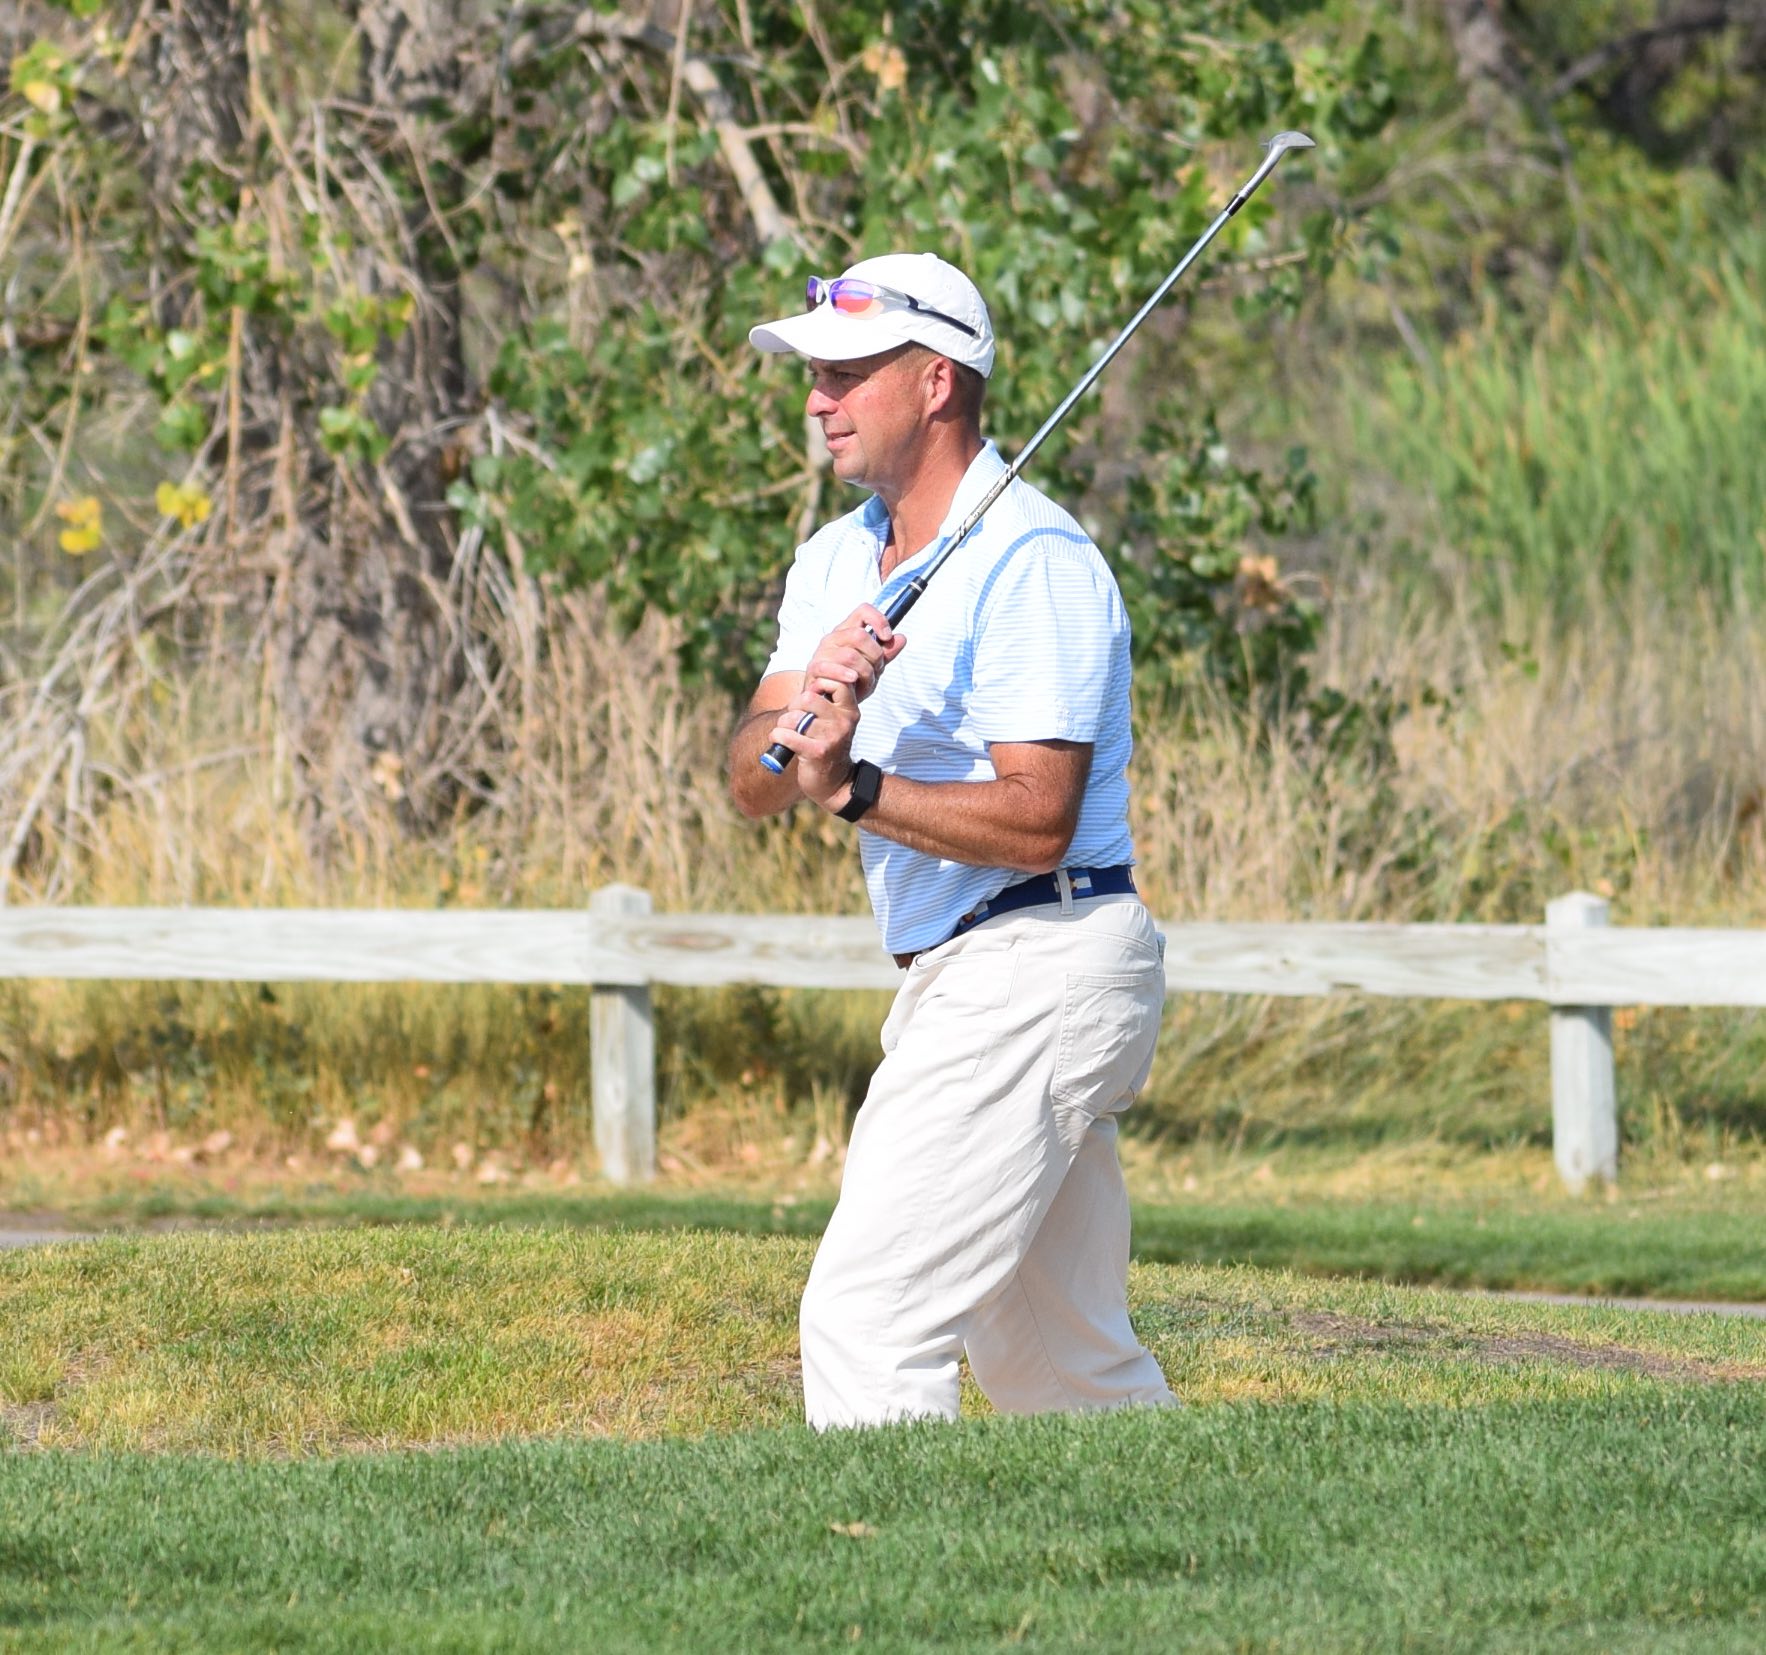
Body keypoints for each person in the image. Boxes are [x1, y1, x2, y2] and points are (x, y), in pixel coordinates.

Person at [727, 251, 1175, 1430]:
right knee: (1056, 1366)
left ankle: (878, 1594)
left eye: (844, 374)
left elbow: (1038, 820)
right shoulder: (833, 559)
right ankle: (1190, 1573)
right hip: (963, 966)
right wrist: (801, 712)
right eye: (812, 376)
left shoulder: (1033, 559)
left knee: (866, 1316)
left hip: (1045, 949)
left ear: (933, 382)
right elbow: (751, 784)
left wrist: (856, 786)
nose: (816, 401)